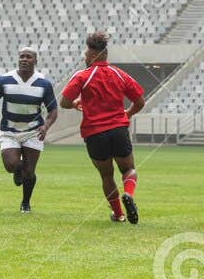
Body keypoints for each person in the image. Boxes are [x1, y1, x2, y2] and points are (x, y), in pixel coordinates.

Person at [59, 31, 145, 224]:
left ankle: (119, 214)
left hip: (94, 133)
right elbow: (140, 101)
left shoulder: (83, 76)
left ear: (92, 56)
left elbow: (64, 102)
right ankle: (129, 194)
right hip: (118, 129)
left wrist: (75, 104)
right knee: (128, 169)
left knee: (106, 175)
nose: (84, 57)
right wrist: (127, 114)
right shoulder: (119, 74)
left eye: (85, 55)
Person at [0, 47, 58, 213]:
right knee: (11, 165)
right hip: (10, 131)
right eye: (22, 56)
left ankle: (25, 203)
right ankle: (18, 169)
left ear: (35, 61)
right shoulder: (4, 80)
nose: (24, 59)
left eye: (28, 57)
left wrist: (46, 126)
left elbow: (53, 110)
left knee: (30, 172)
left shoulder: (44, 83)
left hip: (33, 131)